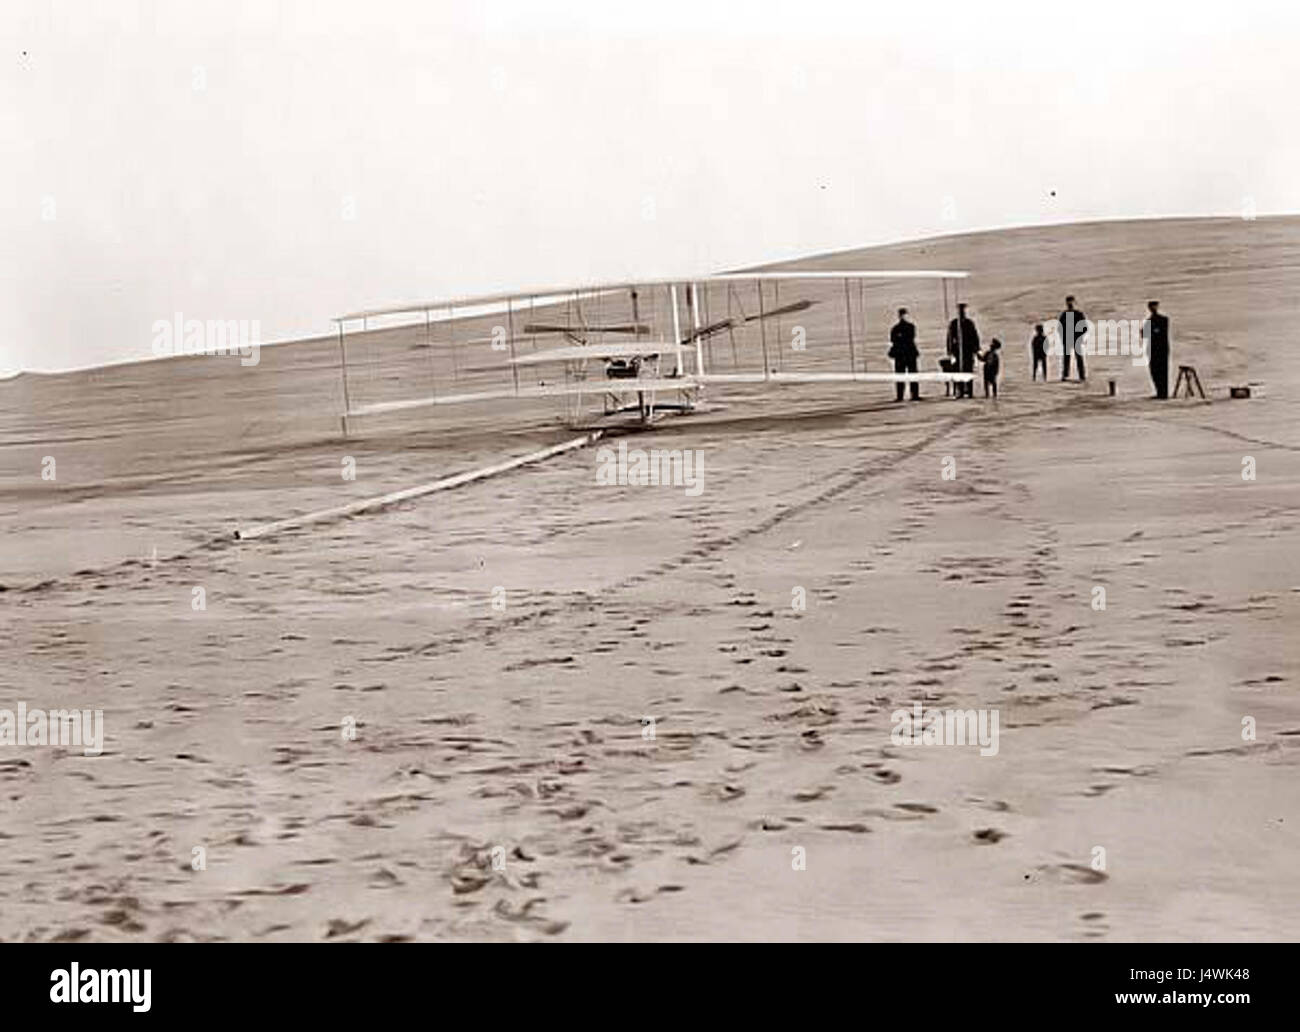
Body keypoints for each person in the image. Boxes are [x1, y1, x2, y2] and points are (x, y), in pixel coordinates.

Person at [947, 302, 980, 398]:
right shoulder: (954, 324)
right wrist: (950, 351)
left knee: (968, 370)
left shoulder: (969, 323)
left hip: (968, 350)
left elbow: (974, 337)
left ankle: (969, 391)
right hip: (957, 351)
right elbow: (949, 338)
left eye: (963, 311)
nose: (962, 313)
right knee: (958, 371)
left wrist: (976, 349)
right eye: (960, 311)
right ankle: (960, 390)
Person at [888, 307, 920, 401]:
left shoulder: (909, 326)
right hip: (901, 354)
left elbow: (910, 337)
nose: (902, 316)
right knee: (900, 376)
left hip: (908, 353)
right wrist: (901, 338)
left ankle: (914, 395)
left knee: (912, 375)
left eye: (904, 314)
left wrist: (900, 338)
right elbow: (893, 339)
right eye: (901, 315)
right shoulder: (896, 328)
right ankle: (900, 396)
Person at [1142, 300, 1170, 399]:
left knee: (1162, 371)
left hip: (1160, 349)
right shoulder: (1149, 321)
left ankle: (1163, 393)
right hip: (1153, 349)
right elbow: (1144, 334)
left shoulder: (1163, 320)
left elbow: (1158, 332)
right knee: (1155, 371)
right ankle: (1160, 392)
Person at [1057, 295, 1087, 381]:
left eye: (1071, 302)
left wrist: (1079, 336)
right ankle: (1066, 375)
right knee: (1067, 358)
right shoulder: (1064, 314)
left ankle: (1082, 375)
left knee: (1078, 358)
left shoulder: (1078, 314)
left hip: (1076, 339)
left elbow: (1084, 327)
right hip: (1067, 339)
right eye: (1068, 302)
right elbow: (1060, 328)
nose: (1069, 304)